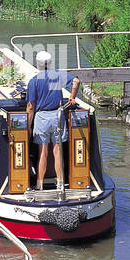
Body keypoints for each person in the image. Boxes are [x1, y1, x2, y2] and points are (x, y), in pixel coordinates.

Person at [26, 50, 80, 194]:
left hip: (42, 117)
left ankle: (39, 184)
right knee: (57, 151)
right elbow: (76, 81)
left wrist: (28, 126)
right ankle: (61, 184)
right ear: (50, 63)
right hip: (57, 115)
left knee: (43, 152)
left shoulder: (34, 81)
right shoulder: (57, 76)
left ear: (37, 63)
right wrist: (72, 97)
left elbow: (31, 107)